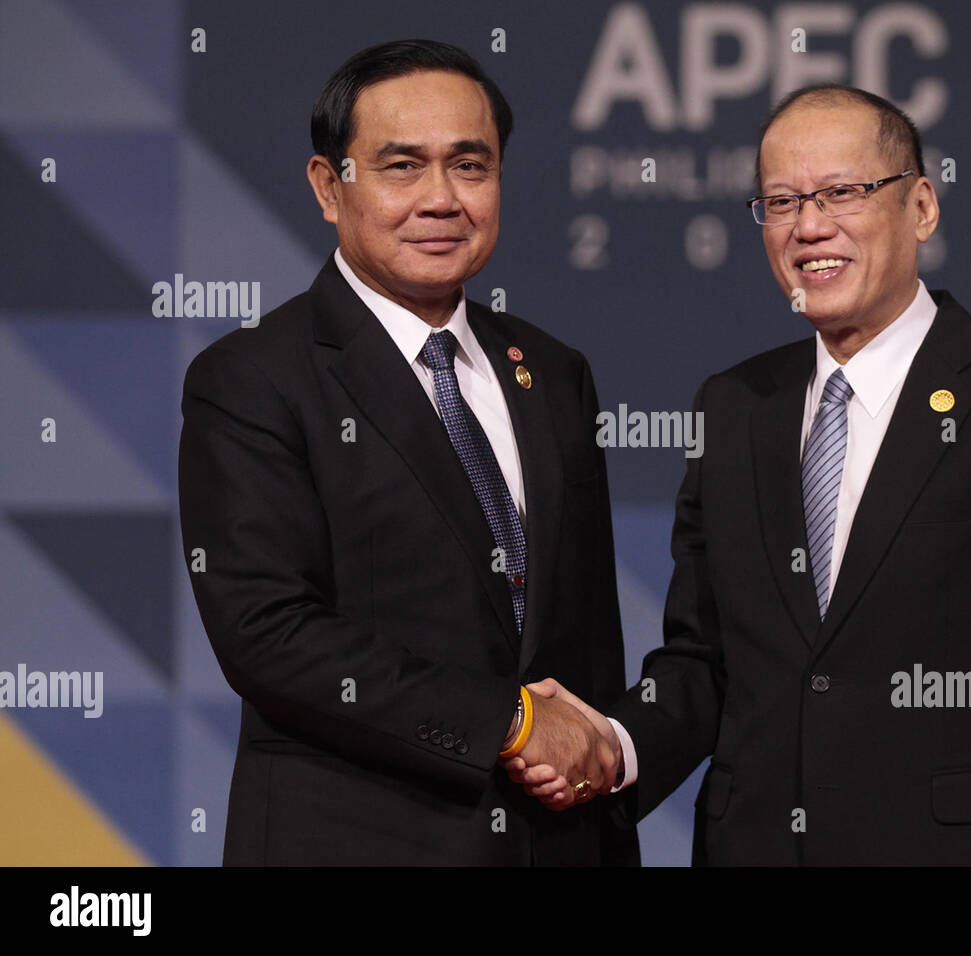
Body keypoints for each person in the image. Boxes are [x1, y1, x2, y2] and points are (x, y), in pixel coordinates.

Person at [509, 84, 971, 865]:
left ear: (921, 207)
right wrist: (612, 743)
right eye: (781, 201)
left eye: (843, 191)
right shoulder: (735, 406)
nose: (810, 225)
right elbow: (705, 661)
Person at [178, 39, 636, 865]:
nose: (441, 199)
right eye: (401, 167)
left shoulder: (553, 372)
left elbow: (590, 650)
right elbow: (267, 633)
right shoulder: (252, 377)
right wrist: (511, 721)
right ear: (329, 186)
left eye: (471, 165)